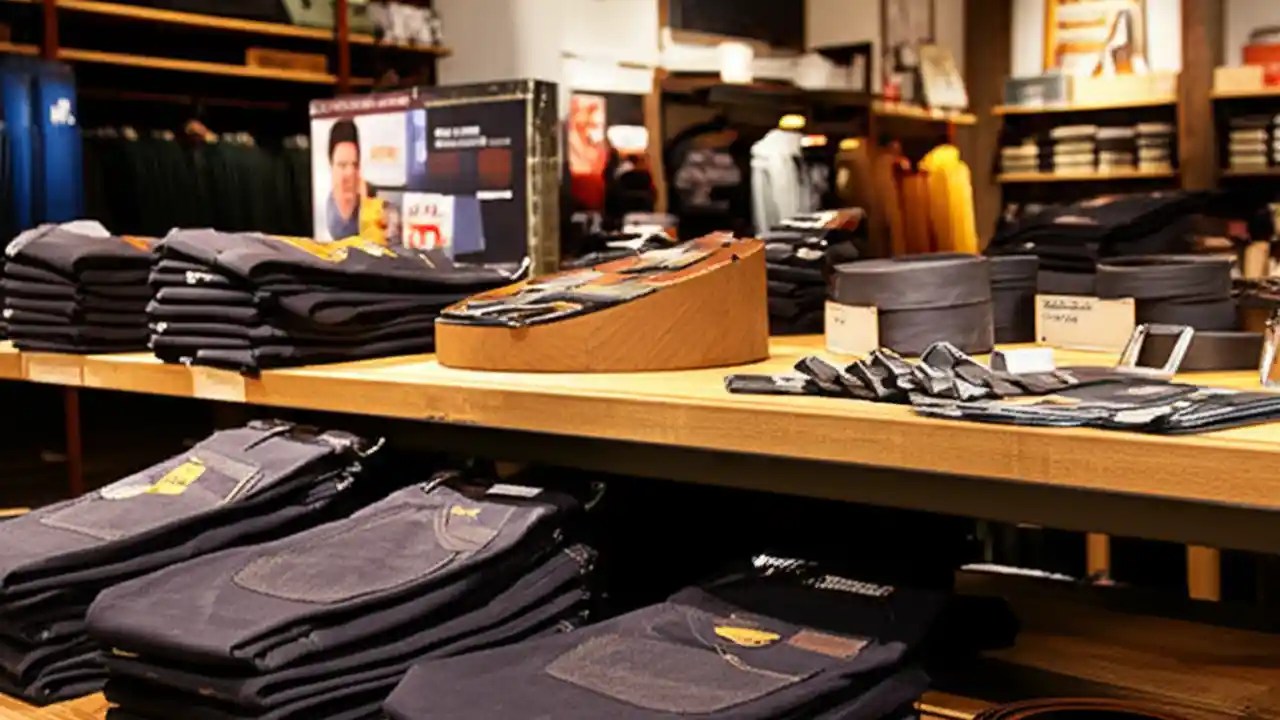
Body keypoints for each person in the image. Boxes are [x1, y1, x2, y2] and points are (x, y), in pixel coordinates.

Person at [326, 119, 362, 240]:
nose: (349, 173)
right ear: (331, 165)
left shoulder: (373, 202)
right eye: (342, 165)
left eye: (355, 165)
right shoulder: (330, 205)